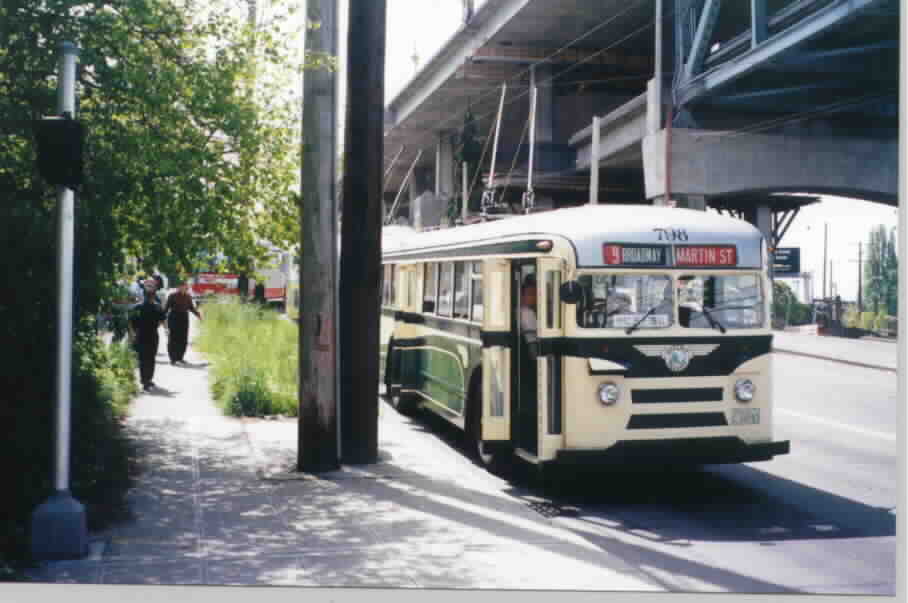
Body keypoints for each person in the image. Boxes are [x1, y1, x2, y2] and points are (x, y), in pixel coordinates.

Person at [130, 278, 167, 391]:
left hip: (140, 335)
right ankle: (148, 380)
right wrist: (162, 328)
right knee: (150, 358)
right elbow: (162, 321)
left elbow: (131, 322)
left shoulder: (137, 307)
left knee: (142, 358)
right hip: (152, 335)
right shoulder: (157, 306)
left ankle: (144, 381)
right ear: (153, 296)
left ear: (143, 295)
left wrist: (133, 335)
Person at [164, 279, 202, 365]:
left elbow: (191, 308)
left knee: (183, 339)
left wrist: (198, 315)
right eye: (185, 286)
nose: (187, 288)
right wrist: (162, 319)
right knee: (173, 339)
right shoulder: (172, 296)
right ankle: (173, 358)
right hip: (174, 318)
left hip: (184, 318)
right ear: (180, 287)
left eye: (187, 286)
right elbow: (166, 309)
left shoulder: (188, 296)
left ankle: (180, 357)